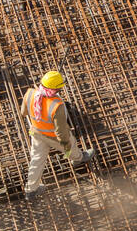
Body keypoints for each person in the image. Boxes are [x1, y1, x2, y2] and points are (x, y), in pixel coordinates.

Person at [19, 70, 93, 199]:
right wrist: (66, 146)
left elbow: (23, 113)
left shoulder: (30, 93)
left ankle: (31, 190)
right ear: (57, 89)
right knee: (71, 146)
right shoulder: (57, 105)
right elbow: (61, 132)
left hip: (36, 133)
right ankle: (78, 158)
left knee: (36, 160)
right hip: (53, 137)